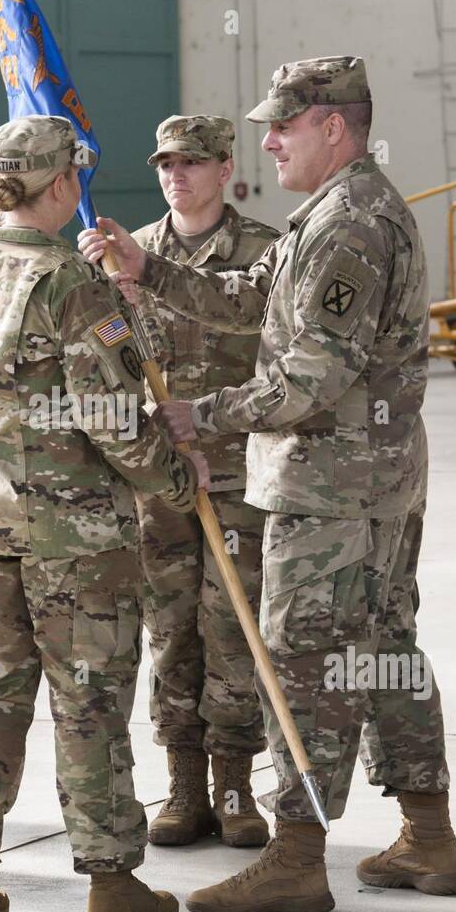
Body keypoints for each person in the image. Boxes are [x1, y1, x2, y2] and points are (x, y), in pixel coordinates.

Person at [79, 56, 456, 912]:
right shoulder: (326, 214)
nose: (267, 140)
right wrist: (149, 271)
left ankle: (297, 856)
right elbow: (253, 298)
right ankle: (428, 836)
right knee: (385, 650)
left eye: (281, 126)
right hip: (366, 482)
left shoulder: (350, 224)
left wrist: (205, 414)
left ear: (333, 126)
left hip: (332, 490)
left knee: (303, 663)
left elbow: (311, 374)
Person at [0, 114, 210, 912]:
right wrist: (173, 474)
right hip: (68, 532)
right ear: (61, 185)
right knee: (86, 700)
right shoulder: (70, 285)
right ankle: (109, 882)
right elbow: (113, 419)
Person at [131, 115, 280, 848]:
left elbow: (283, 367)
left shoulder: (263, 253)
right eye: (164, 164)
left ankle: (233, 786)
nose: (175, 175)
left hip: (235, 475)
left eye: (191, 162)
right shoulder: (126, 254)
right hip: (156, 481)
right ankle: (183, 783)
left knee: (232, 630)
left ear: (224, 168)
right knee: (169, 631)